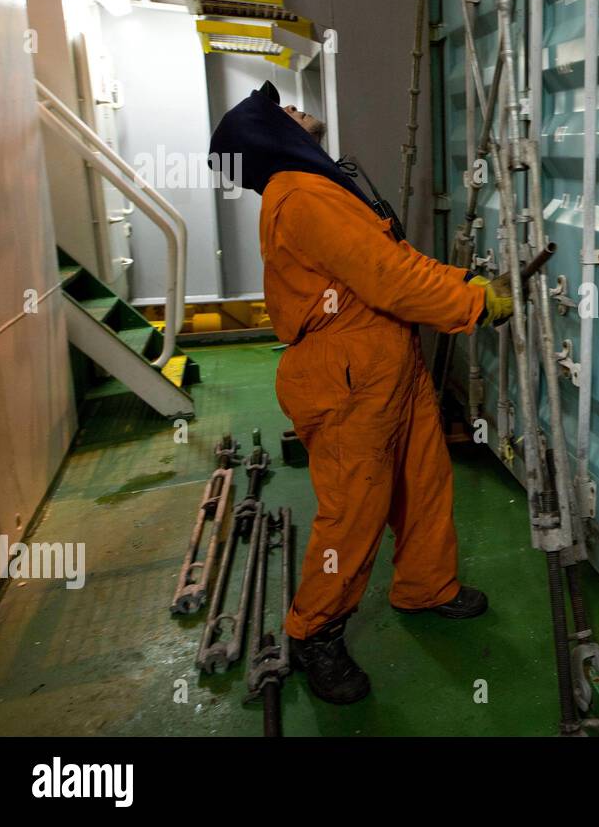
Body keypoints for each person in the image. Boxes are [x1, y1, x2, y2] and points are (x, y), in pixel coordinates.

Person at [208, 82, 512, 704]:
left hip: (382, 359)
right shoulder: (301, 196)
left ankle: (426, 585)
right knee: (354, 511)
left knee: (421, 478)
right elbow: (390, 278)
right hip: (346, 375)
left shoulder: (321, 185)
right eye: (282, 110)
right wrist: (474, 301)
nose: (295, 109)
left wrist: (461, 279)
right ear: (268, 137)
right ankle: (313, 630)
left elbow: (389, 258)